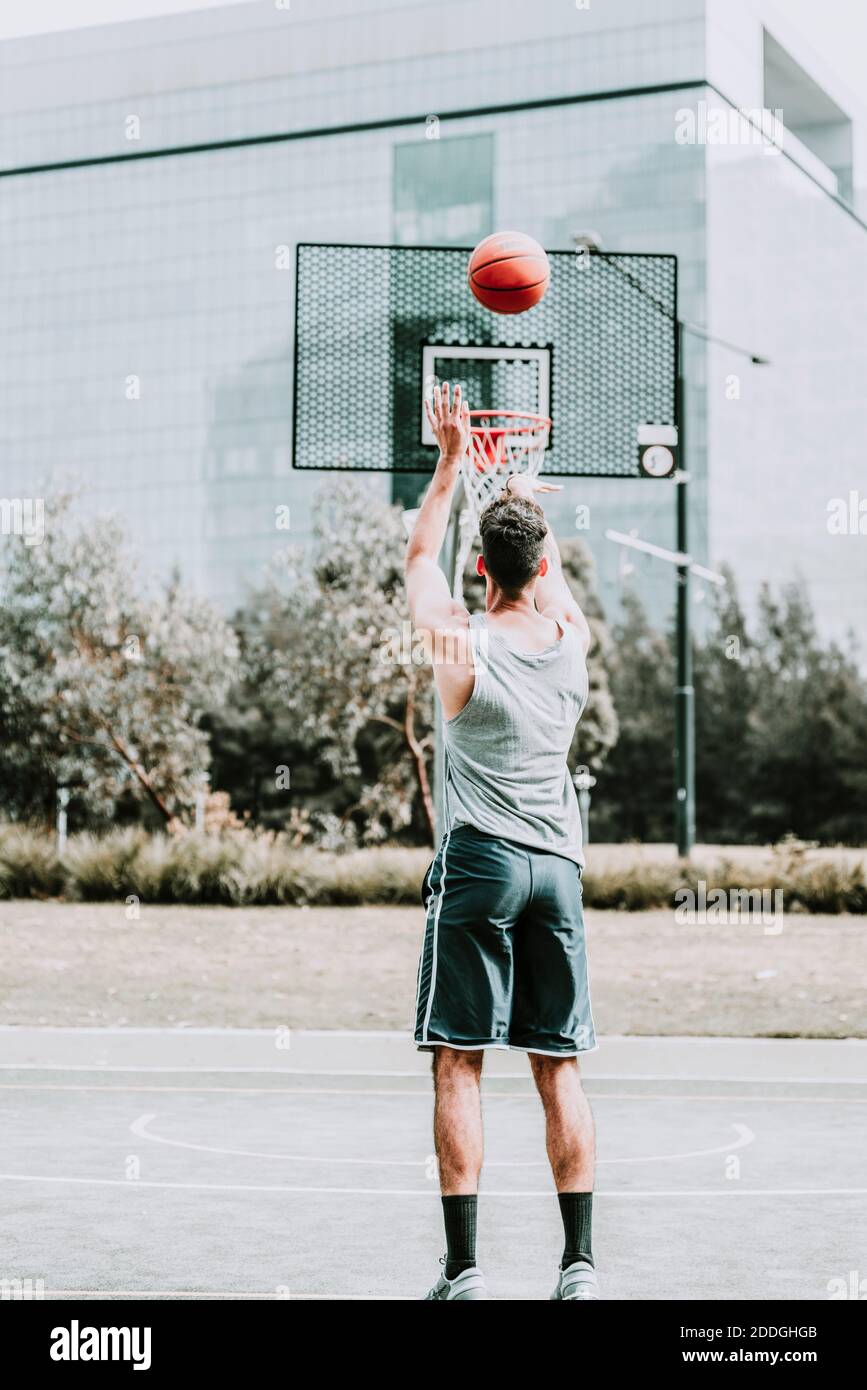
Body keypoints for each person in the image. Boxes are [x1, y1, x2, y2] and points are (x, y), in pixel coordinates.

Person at [405, 382, 599, 1302]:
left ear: (479, 567)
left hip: (481, 863)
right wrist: (518, 501)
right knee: (556, 1069)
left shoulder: (457, 645)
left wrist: (453, 464)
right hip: (556, 870)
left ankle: (465, 1271)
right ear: (540, 564)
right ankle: (579, 1269)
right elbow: (544, 576)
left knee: (459, 1062)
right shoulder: (571, 642)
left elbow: (415, 556)